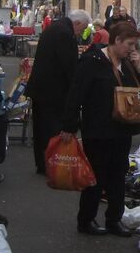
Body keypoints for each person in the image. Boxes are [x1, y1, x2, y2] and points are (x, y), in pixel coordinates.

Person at [60, 20, 140, 236]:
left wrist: (139, 68)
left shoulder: (127, 64)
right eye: (129, 44)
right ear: (117, 40)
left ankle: (114, 219)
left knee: (118, 174)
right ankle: (86, 219)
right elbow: (76, 93)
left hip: (122, 127)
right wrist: (69, 125)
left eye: (134, 45)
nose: (132, 49)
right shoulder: (92, 61)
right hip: (97, 128)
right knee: (95, 175)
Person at [25, 9, 91, 174]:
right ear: (77, 23)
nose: (80, 33)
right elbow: (68, 65)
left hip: (42, 88)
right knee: (51, 130)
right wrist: (76, 87)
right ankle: (51, 164)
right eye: (82, 29)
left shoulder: (55, 27)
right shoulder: (64, 33)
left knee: (41, 129)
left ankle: (43, 163)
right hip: (53, 91)